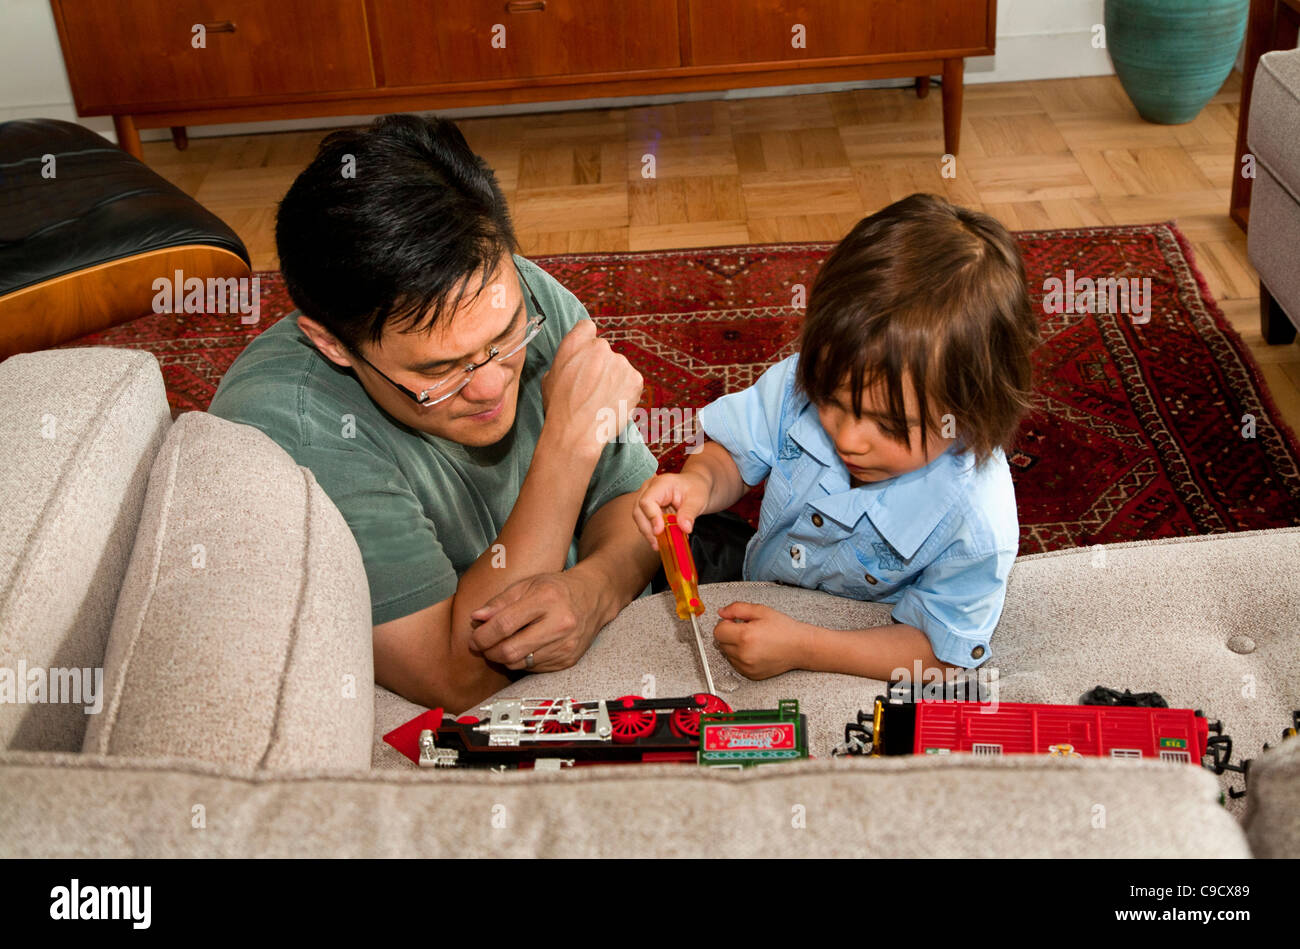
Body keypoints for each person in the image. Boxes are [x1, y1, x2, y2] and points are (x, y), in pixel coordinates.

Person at [208, 114, 662, 713]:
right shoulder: (292, 431)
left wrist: (593, 589)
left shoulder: (517, 295)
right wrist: (567, 448)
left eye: (504, 338)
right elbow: (456, 677)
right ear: (332, 345)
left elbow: (640, 503)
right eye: (437, 371)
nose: (489, 384)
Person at [633, 193, 1042, 683]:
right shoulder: (810, 377)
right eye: (828, 398)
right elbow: (734, 453)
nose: (849, 438)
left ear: (974, 411)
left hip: (866, 634)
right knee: (632, 529)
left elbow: (941, 656)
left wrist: (804, 647)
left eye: (890, 425)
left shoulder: (977, 526)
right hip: (761, 567)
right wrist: (698, 482)